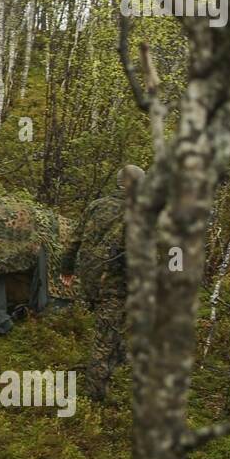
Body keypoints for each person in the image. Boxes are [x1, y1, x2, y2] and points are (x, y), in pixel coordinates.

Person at [61, 165, 144, 400]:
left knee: (115, 326)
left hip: (90, 280)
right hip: (116, 285)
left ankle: (115, 362)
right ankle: (95, 396)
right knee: (104, 338)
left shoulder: (96, 206)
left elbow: (72, 241)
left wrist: (66, 269)